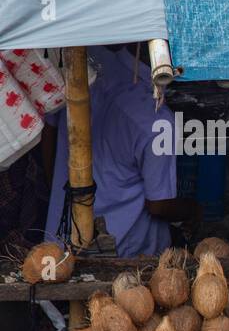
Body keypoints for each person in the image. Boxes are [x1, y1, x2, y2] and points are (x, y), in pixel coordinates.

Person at [43, 46, 196, 255]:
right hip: (121, 258)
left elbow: (48, 128)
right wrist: (194, 210)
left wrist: (58, 187)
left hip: (59, 246)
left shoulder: (80, 59)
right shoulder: (155, 119)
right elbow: (159, 205)